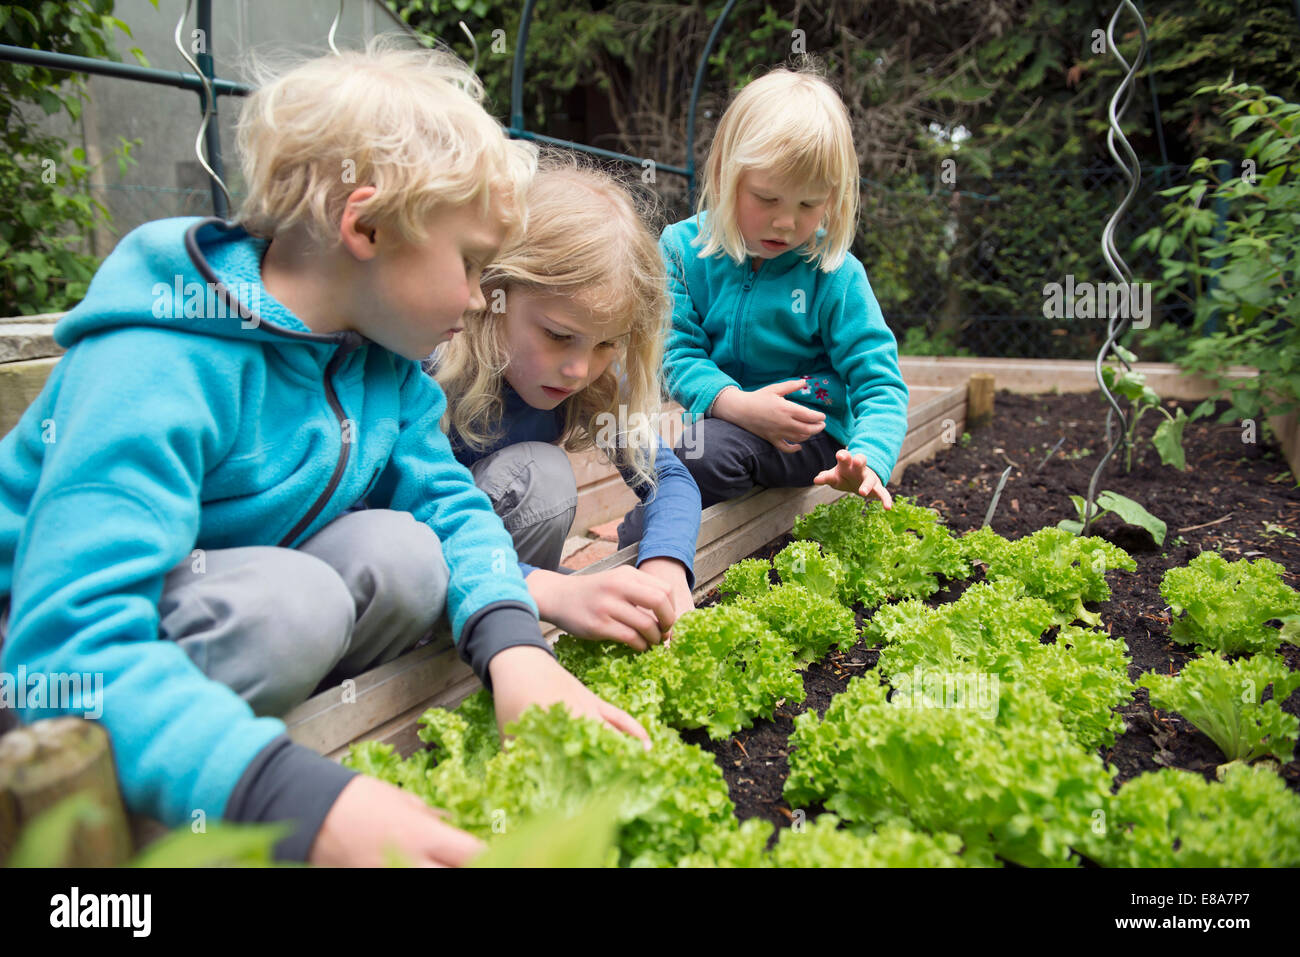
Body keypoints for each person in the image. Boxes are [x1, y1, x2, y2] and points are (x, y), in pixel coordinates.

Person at [0, 40, 646, 868]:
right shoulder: (162, 356)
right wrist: (291, 795)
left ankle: (265, 741)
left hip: (214, 621)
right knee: (293, 601)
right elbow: (70, 638)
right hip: (42, 676)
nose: (481, 295)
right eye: (472, 262)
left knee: (409, 553)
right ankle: (181, 787)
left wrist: (516, 648)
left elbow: (450, 506)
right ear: (366, 225)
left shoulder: (380, 362)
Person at [433, 156, 700, 651]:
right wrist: (555, 588)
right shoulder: (437, 370)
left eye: (606, 344)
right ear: (495, 294)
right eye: (559, 336)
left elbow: (670, 477)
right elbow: (410, 525)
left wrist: (665, 562)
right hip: (427, 566)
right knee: (543, 476)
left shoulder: (590, 385)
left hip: (501, 578)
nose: (580, 370)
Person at [656, 65, 909, 511]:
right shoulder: (681, 249)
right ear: (724, 174)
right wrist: (734, 403)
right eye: (767, 198)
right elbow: (675, 352)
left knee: (705, 455)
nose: (786, 222)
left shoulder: (836, 275)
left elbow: (880, 383)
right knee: (681, 457)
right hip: (722, 419)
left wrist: (868, 458)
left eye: (809, 204)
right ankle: (641, 553)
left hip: (808, 436)